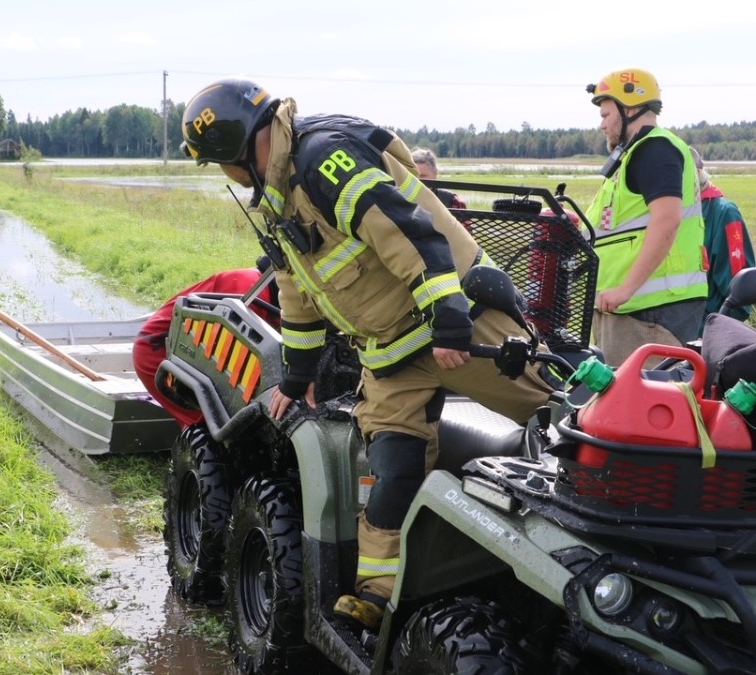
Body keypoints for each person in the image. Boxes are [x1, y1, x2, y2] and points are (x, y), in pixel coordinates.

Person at [180, 78, 556, 632]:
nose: (228, 179)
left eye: (221, 166)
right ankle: (377, 598)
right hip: (389, 352)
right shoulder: (280, 198)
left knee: (561, 415)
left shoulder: (322, 159)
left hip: (461, 321)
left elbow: (410, 232)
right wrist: (297, 376)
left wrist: (449, 320)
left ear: (238, 152)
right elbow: (297, 293)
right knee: (390, 471)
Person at [585, 68, 707, 366]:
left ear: (630, 108)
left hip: (649, 313)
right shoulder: (635, 153)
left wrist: (626, 289)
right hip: (631, 308)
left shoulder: (655, 149)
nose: (602, 125)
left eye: (606, 114)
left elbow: (667, 219)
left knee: (636, 406)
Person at [133, 266, 277, 428]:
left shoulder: (268, 293)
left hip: (195, 349)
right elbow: (237, 362)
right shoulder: (251, 290)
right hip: (161, 349)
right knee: (221, 424)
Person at [693, 146, 756, 331]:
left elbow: (738, 293)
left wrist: (712, 332)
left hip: (705, 332)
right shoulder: (668, 213)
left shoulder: (724, 213)